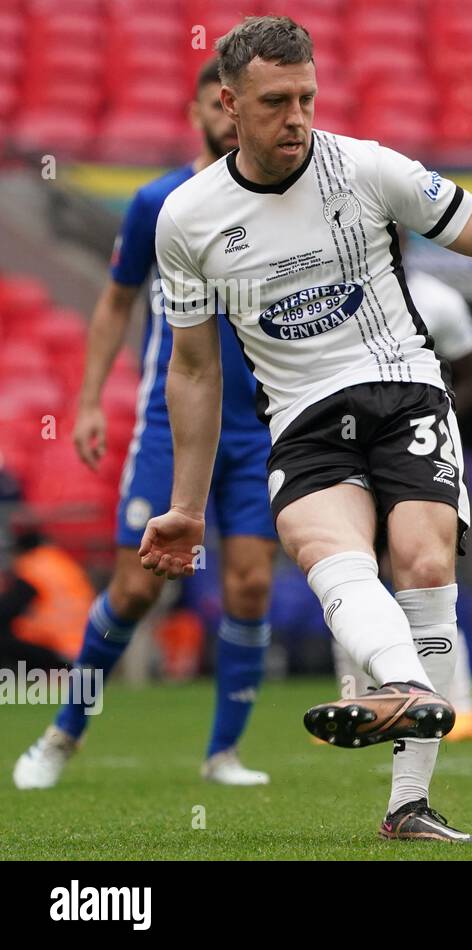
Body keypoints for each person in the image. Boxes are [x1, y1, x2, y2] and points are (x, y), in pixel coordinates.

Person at [139, 16, 472, 843]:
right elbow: (192, 368)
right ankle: (405, 686)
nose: (295, 117)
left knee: (423, 561)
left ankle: (408, 803)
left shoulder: (364, 167)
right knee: (331, 560)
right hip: (301, 420)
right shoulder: (186, 218)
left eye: (305, 97)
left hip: (404, 389)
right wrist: (187, 507)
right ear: (229, 105)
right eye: (273, 102)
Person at [13, 59, 278, 792]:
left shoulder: (281, 206)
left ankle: (224, 753)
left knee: (251, 586)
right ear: (200, 113)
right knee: (137, 588)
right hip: (172, 425)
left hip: (256, 427)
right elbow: (115, 301)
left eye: (241, 105)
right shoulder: (159, 201)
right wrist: (92, 399)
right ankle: (63, 734)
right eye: (218, 104)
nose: (230, 117)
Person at [331, 261, 472, 742]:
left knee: (426, 573)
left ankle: (459, 706)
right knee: (353, 569)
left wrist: (425, 415)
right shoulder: (336, 295)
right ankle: (353, 698)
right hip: (348, 446)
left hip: (418, 448)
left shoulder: (440, 300)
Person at [0, 525, 93, 670]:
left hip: (58, 650)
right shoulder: (61, 562)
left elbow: (6, 610)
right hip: (82, 648)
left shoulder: (33, 567)